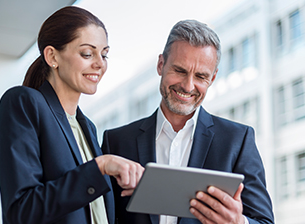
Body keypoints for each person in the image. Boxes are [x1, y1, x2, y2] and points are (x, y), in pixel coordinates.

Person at [101, 20, 274, 224]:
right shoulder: (117, 141)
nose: (188, 86)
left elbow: (264, 221)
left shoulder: (238, 140)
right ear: (161, 65)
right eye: (180, 71)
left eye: (201, 76)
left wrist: (238, 222)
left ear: (213, 77)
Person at [0, 6, 144, 224]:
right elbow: (21, 211)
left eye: (104, 54)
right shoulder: (23, 102)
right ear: (52, 56)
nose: (100, 64)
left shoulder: (87, 127)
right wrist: (99, 167)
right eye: (87, 53)